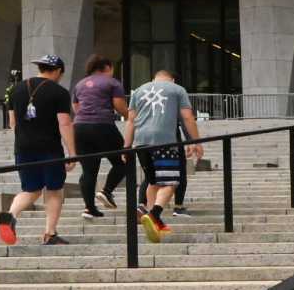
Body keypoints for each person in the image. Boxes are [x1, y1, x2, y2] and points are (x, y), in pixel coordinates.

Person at [0, 55, 78, 247]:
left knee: (31, 189)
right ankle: (50, 234)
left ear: (40, 68)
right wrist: (73, 153)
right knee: (54, 189)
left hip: (23, 147)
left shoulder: (16, 90)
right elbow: (64, 123)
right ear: (58, 71)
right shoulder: (59, 92)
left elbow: (12, 123)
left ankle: (11, 215)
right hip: (49, 148)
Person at [125, 68, 199, 242]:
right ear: (172, 79)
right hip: (165, 141)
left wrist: (127, 146)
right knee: (171, 182)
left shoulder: (140, 90)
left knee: (153, 182)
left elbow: (130, 120)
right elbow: (188, 118)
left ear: (154, 78)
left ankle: (153, 221)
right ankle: (155, 213)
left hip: (141, 142)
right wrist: (196, 142)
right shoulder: (177, 89)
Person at [70, 56, 130, 218]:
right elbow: (119, 106)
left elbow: (76, 106)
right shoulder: (112, 83)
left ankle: (89, 208)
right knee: (124, 161)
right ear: (108, 67)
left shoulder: (80, 84)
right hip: (103, 126)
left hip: (80, 128)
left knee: (89, 170)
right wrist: (131, 117)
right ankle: (106, 191)